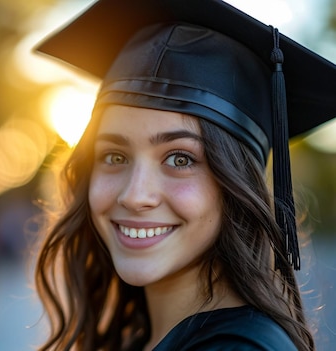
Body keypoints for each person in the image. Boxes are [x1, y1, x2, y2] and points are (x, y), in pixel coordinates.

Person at [32, 0, 336, 350]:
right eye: (114, 156)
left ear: (236, 184)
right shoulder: (139, 338)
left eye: (179, 159)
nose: (134, 195)